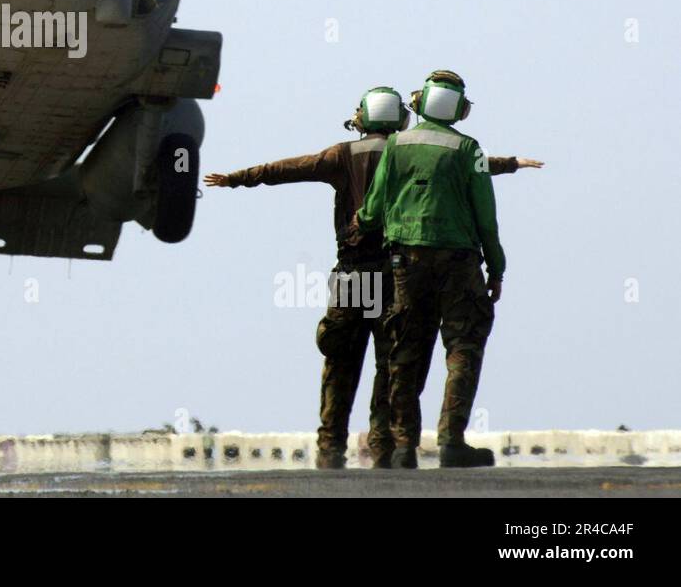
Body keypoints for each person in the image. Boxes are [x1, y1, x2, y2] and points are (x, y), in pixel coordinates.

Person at [205, 86, 540, 469]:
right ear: (399, 117)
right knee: (391, 363)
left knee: (340, 359)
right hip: (395, 271)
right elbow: (471, 165)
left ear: (362, 117)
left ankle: (330, 448)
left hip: (355, 273)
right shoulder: (411, 147)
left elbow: (287, 170)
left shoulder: (341, 155)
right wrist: (512, 163)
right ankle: (386, 448)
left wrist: (237, 178)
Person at [353, 70, 511, 469]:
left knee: (405, 349)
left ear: (420, 103)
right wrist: (497, 267)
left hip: (406, 261)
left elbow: (372, 209)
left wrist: (361, 221)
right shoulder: (470, 149)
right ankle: (451, 442)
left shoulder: (397, 145)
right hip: (460, 263)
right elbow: (486, 218)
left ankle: (404, 445)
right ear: (459, 108)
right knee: (463, 347)